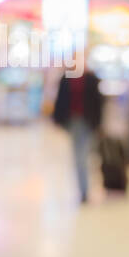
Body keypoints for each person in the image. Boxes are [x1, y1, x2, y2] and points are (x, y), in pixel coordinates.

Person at [51, 66, 103, 204]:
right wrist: (58, 119)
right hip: (73, 122)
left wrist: (98, 124)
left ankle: (84, 189)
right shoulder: (66, 78)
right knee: (78, 157)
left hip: (87, 122)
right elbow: (61, 99)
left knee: (83, 157)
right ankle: (82, 190)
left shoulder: (91, 78)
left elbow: (97, 102)